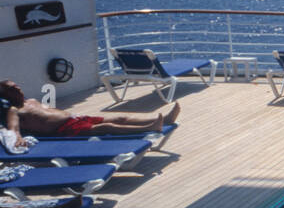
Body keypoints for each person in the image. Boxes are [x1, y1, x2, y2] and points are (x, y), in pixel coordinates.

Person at [1, 79, 179, 138]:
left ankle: (165, 119)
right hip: (64, 130)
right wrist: (17, 137)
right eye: (11, 89)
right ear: (6, 95)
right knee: (105, 128)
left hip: (76, 119)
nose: (17, 88)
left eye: (16, 85)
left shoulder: (32, 101)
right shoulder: (14, 111)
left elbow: (50, 112)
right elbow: (13, 128)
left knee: (118, 118)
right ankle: (150, 128)